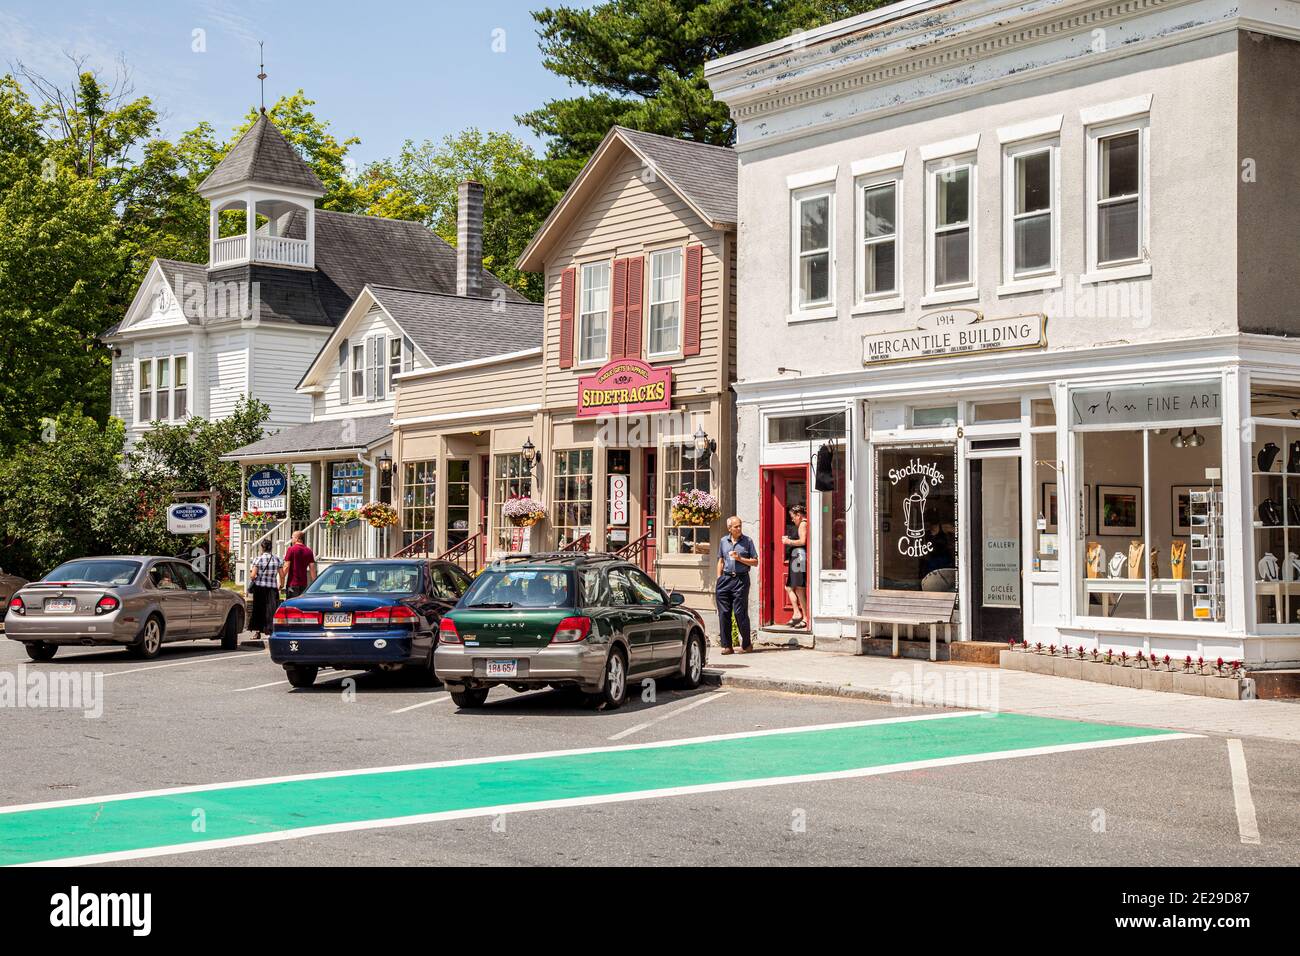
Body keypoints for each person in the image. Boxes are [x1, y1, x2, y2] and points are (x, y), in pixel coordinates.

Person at [715, 515, 757, 654]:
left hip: (741, 580)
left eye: (740, 526)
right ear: (729, 528)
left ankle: (746, 645)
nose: (739, 528)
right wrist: (719, 578)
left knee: (740, 613)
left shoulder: (748, 541)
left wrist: (740, 558)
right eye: (736, 526)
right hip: (725, 580)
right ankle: (727, 646)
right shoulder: (723, 541)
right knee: (724, 613)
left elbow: (755, 562)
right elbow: (720, 560)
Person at [781, 503, 809, 629]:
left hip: (799, 558)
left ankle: (805, 617)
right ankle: (797, 613)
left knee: (799, 588)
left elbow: (803, 541)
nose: (792, 520)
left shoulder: (803, 523)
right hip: (796, 558)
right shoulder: (802, 523)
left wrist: (788, 541)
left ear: (799, 515)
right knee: (789, 587)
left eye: (793, 517)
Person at [249, 539, 283, 642]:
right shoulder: (277, 559)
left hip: (260, 588)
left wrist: (254, 577)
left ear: (262, 548)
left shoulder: (258, 559)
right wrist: (281, 584)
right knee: (271, 609)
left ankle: (258, 632)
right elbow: (282, 574)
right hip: (272, 587)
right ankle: (270, 631)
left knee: (259, 609)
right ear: (271, 547)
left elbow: (253, 575)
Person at [280, 530, 317, 599]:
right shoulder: (309, 551)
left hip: (292, 584)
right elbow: (312, 569)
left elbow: (286, 566)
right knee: (301, 606)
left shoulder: (291, 549)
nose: (291, 539)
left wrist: (281, 580)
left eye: (292, 537)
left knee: (290, 606)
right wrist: (315, 584)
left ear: (297, 538)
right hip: (304, 584)